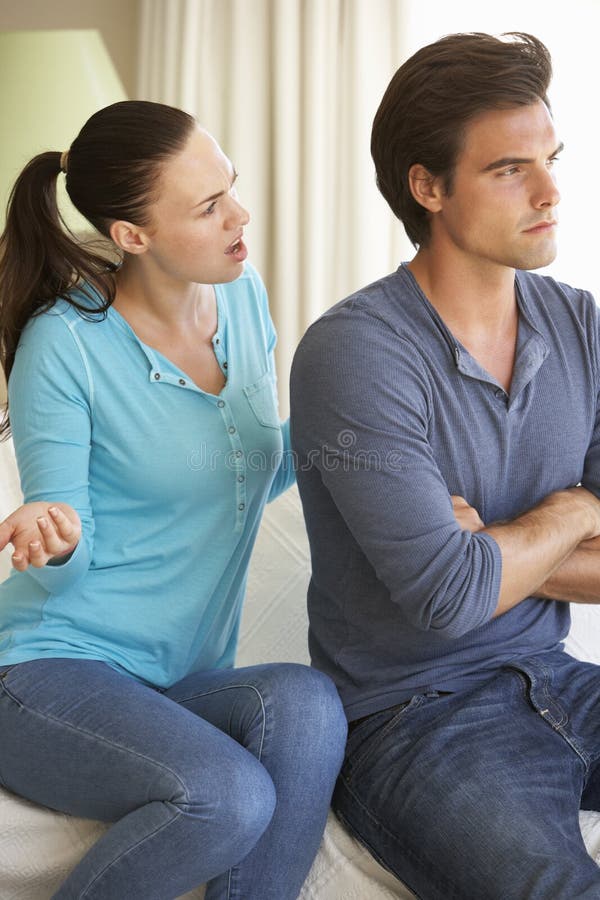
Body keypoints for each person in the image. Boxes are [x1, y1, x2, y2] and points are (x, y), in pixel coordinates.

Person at [0, 99, 347, 900]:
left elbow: (253, 465)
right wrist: (52, 535)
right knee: (226, 795)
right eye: (209, 206)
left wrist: (375, 440)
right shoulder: (66, 345)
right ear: (133, 236)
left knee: (306, 702)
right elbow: (62, 554)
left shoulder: (241, 294)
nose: (240, 214)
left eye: (230, 185)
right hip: (51, 670)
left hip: (176, 680)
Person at [290, 31, 600, 899]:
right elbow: (446, 596)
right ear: (428, 187)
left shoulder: (579, 323)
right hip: (414, 723)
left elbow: (470, 579)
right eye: (509, 169)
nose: (551, 192)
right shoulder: (356, 354)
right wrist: (575, 512)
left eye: (552, 159)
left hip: (560, 682)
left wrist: (495, 555)